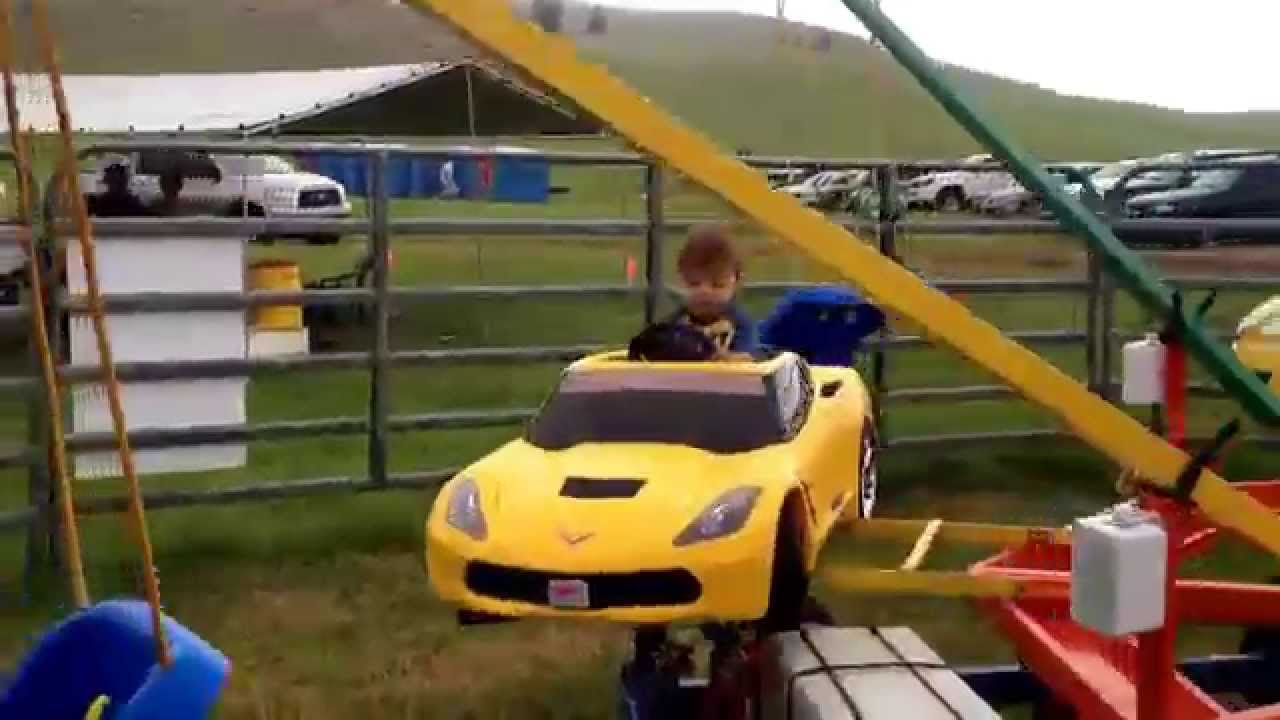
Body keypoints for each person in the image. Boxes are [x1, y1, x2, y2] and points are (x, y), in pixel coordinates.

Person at [666, 224, 758, 361]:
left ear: (736, 282)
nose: (704, 292)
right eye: (693, 284)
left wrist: (730, 358)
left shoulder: (739, 323)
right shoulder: (676, 322)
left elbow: (747, 358)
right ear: (680, 281)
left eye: (717, 285)